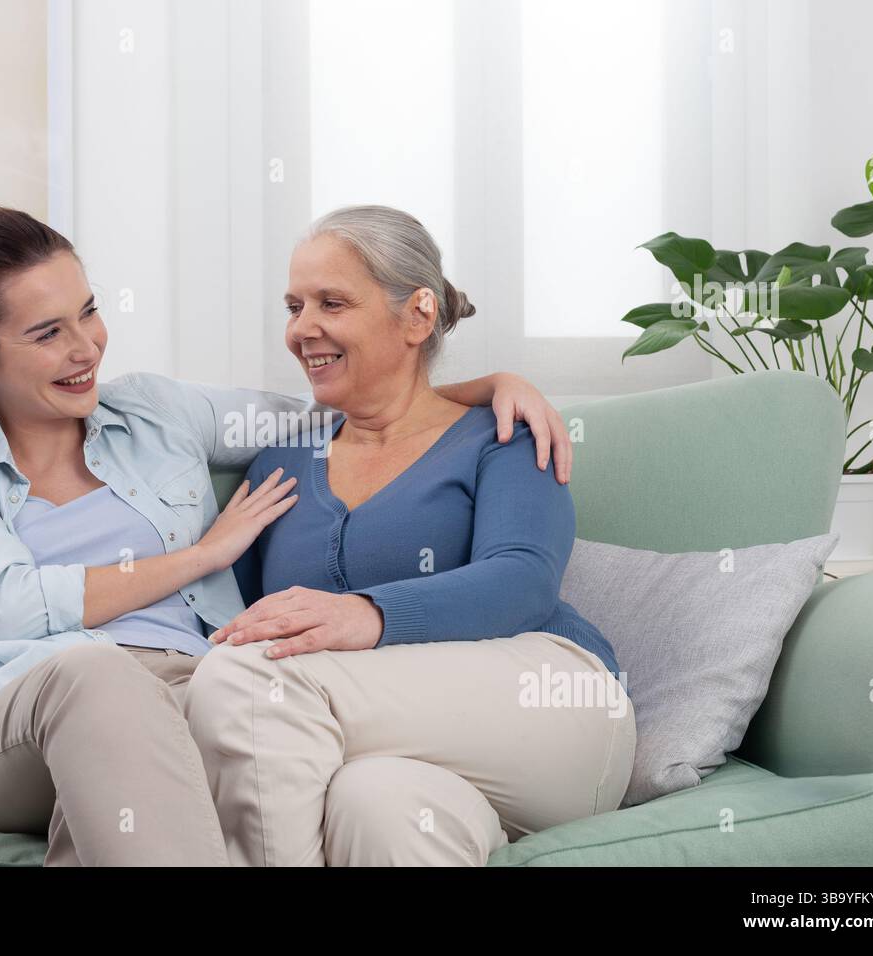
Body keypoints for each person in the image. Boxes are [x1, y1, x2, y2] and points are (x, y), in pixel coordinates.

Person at [0, 203, 574, 866]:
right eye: (47, 333)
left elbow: (333, 401)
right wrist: (199, 557)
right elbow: (14, 606)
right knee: (97, 679)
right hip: (5, 722)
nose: (85, 348)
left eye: (88, 313)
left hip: (177, 702)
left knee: (168, 752)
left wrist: (480, 388)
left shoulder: (157, 414)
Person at [185, 205, 635, 866]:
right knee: (379, 811)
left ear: (418, 316)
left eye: (331, 303)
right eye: (294, 305)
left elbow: (524, 580)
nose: (303, 329)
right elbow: (245, 624)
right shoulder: (280, 464)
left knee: (253, 684)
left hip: (554, 708)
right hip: (399, 755)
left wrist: (363, 614)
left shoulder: (502, 432)